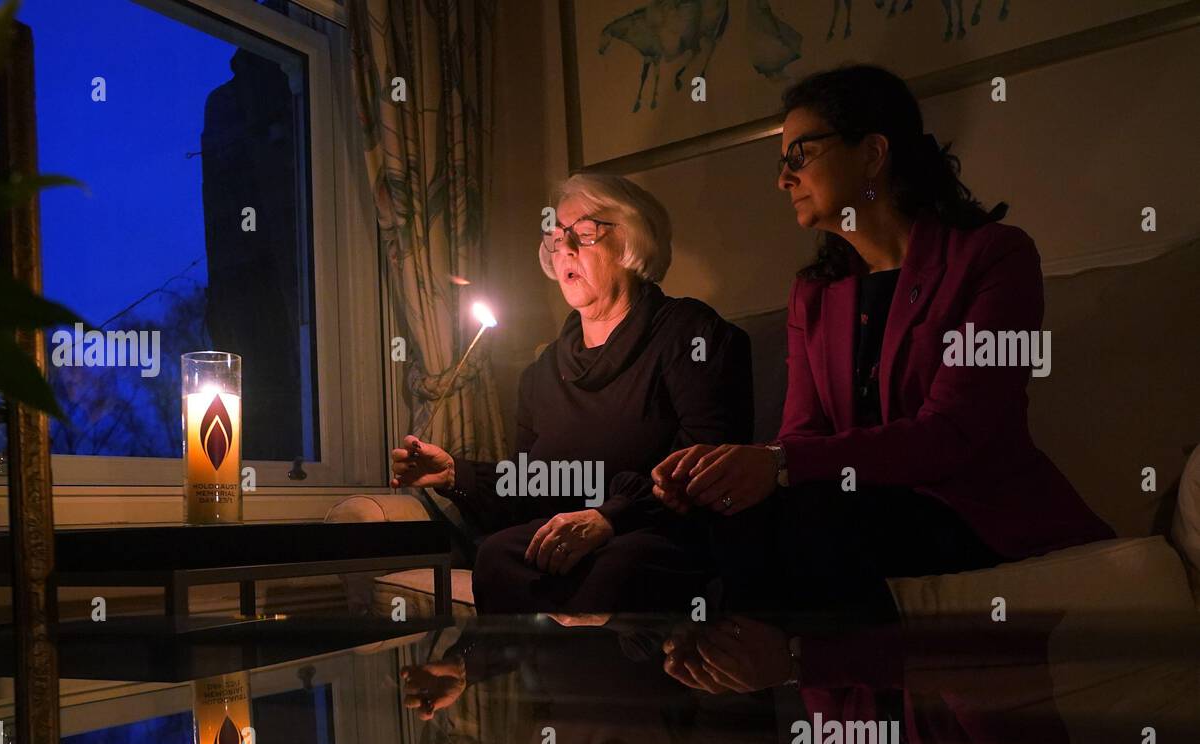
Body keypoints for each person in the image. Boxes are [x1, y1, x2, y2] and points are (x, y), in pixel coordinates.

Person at [651, 65, 1112, 617]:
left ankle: (798, 664)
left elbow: (953, 435)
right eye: (782, 163)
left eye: (800, 155)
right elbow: (802, 433)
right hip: (849, 506)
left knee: (809, 522)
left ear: (872, 153)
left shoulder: (994, 258)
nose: (784, 179)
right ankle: (750, 667)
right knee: (720, 519)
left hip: (966, 506)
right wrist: (718, 476)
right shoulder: (815, 294)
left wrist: (777, 465)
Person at [391, 174, 752, 614]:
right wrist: (454, 475)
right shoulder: (542, 373)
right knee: (498, 555)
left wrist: (609, 517)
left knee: (618, 567)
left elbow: (703, 466)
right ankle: (505, 677)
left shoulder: (690, 334)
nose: (564, 248)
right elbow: (531, 492)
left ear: (632, 244)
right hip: (565, 540)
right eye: (557, 237)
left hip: (658, 534)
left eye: (583, 233)